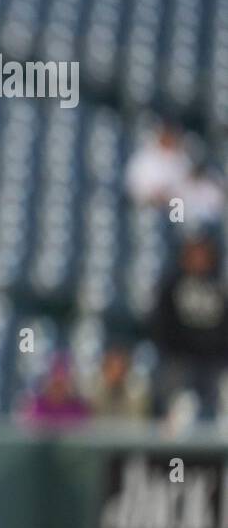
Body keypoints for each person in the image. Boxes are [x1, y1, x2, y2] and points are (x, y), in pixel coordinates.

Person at [150, 233, 228, 424]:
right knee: (173, 394)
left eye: (203, 255)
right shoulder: (171, 286)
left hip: (216, 359)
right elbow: (162, 326)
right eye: (194, 254)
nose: (199, 260)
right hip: (179, 359)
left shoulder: (220, 286)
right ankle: (170, 446)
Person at [124, 121, 191, 208]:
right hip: (146, 206)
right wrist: (152, 194)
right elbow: (132, 184)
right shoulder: (145, 156)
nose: (170, 138)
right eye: (168, 134)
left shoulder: (182, 160)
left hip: (173, 208)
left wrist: (168, 194)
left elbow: (186, 189)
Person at [18, 353, 92, 431]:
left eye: (62, 382)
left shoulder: (78, 407)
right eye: (55, 383)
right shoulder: (37, 405)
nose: (58, 386)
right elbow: (29, 428)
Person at [84, 344, 150, 425]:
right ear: (104, 370)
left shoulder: (136, 401)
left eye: (121, 369)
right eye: (112, 369)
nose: (116, 374)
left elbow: (137, 424)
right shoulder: (93, 399)